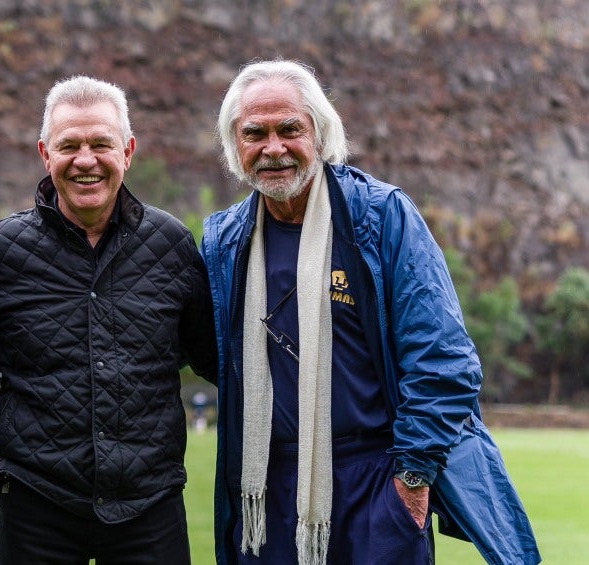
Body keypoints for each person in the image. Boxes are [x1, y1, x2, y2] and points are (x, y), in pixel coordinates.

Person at [201, 59, 541, 565]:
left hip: (377, 482)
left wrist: (411, 479)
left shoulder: (381, 217)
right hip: (264, 490)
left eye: (290, 129)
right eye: (256, 134)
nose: (274, 148)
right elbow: (210, 355)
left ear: (320, 133)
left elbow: (444, 360)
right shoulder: (223, 241)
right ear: (235, 146)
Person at [0, 75, 218, 564]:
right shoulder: (0, 252)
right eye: (69, 145)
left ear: (127, 151)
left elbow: (215, 357)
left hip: (150, 504)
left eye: (101, 143)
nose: (86, 160)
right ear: (46, 154)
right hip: (35, 505)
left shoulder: (171, 245)